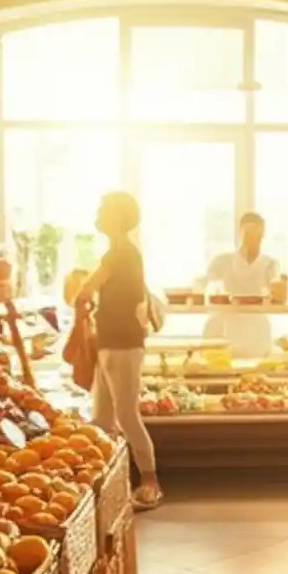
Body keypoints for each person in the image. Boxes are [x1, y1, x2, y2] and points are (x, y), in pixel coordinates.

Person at [74, 192, 162, 510]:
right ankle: (107, 483)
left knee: (125, 414)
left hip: (122, 343)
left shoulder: (120, 254)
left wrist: (82, 297)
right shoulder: (121, 253)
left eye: (103, 209)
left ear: (116, 218)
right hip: (112, 342)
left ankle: (150, 481)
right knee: (102, 417)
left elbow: (84, 290)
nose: (97, 213)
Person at [202, 212, 280, 359]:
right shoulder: (222, 261)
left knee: (254, 376)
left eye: (256, 235)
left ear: (263, 235)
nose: (252, 240)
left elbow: (277, 294)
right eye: (248, 235)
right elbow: (203, 285)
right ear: (240, 233)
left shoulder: (270, 265)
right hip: (225, 331)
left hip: (257, 333)